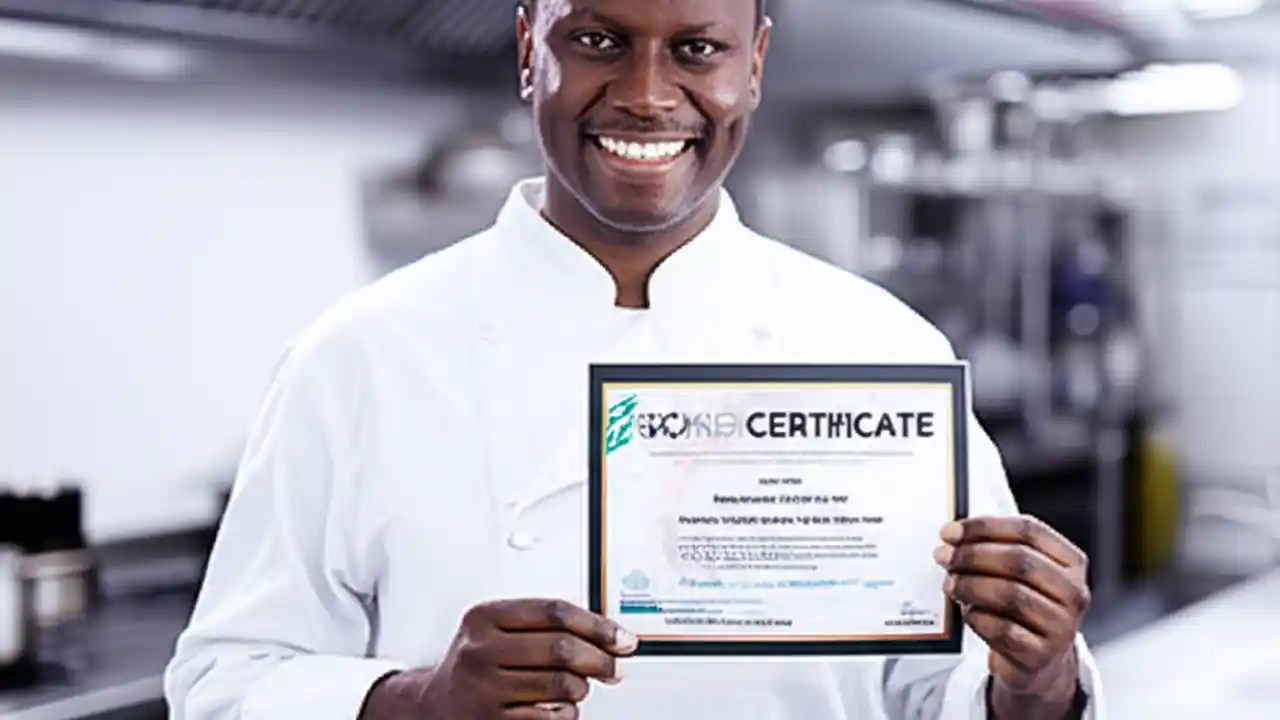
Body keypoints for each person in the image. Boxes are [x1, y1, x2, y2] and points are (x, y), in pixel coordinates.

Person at [164, 0, 1104, 717]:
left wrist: (1042, 673)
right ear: (529, 45)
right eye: (599, 40)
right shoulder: (361, 355)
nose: (648, 96)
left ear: (756, 64)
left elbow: (950, 695)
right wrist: (416, 701)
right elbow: (220, 682)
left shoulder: (881, 347)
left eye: (696, 48)